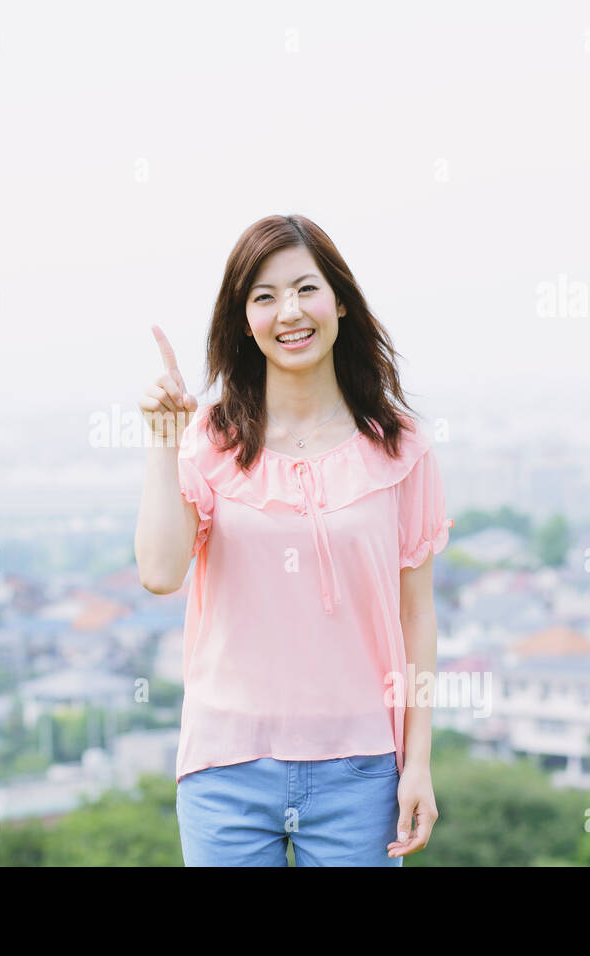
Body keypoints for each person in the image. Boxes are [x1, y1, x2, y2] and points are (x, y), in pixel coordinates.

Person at [134, 214, 452, 866]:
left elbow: (416, 615)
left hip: (361, 770)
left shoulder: (400, 448)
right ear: (244, 321)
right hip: (225, 768)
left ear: (339, 298)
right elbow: (161, 572)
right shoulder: (208, 441)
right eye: (264, 296)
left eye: (305, 288)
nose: (289, 312)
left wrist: (417, 762)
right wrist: (165, 441)